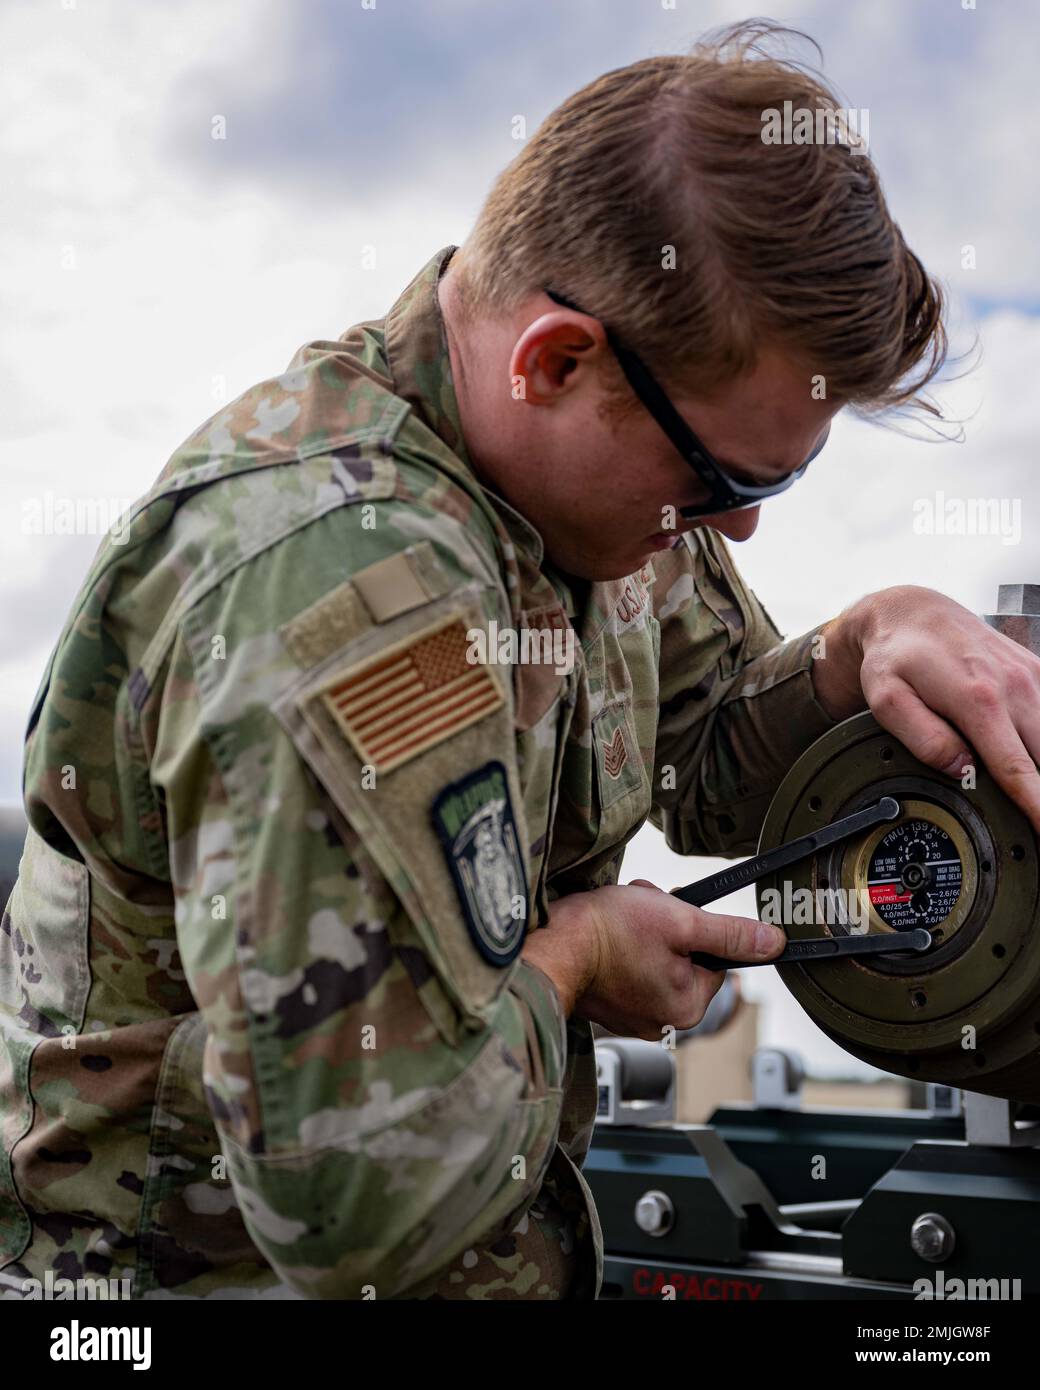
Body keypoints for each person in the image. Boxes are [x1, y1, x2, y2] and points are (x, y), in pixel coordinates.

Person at [3, 23, 1038, 1302]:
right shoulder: (331, 587)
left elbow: (712, 774)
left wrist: (852, 648)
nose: (741, 525)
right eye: (725, 477)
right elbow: (357, 1209)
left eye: (785, 476)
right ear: (554, 360)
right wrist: (576, 958)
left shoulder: (604, 509)